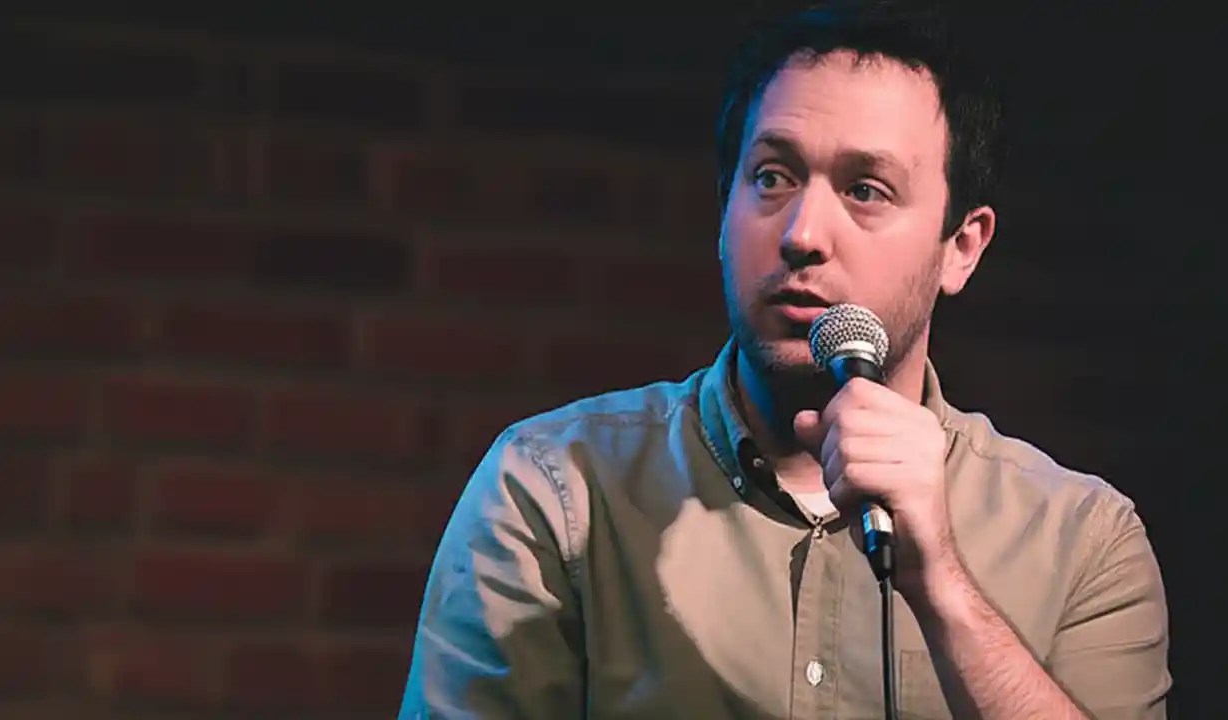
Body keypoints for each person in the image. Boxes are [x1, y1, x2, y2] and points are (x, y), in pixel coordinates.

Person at [397, 1, 1171, 717]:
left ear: (961, 247)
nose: (803, 232)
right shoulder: (554, 489)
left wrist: (940, 583)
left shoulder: (1081, 541)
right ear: (724, 206)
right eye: (773, 176)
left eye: (867, 190)